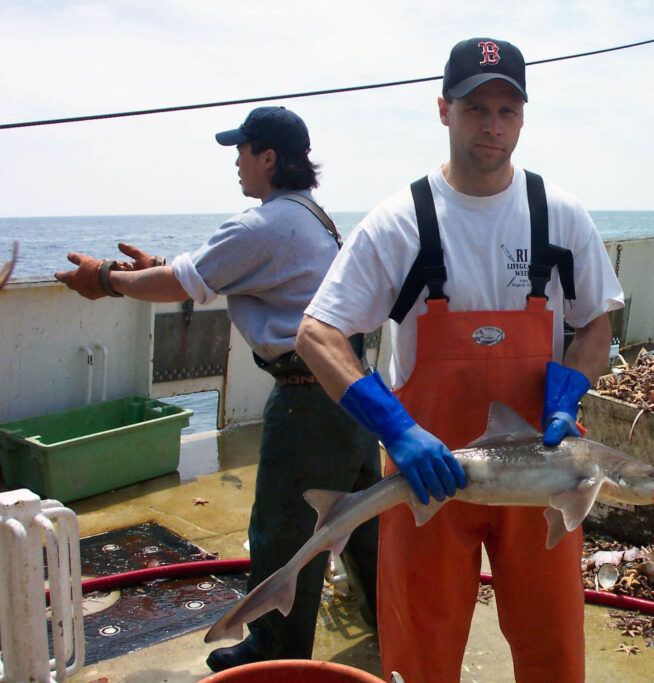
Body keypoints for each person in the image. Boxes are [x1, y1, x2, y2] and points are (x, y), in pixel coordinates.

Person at [295, 38, 624, 682]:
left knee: (554, 649)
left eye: (507, 110)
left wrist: (569, 391)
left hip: (541, 479)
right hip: (430, 479)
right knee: (419, 656)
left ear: (522, 118)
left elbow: (595, 324)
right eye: (475, 108)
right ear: (444, 110)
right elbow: (317, 334)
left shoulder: (559, 215)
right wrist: (397, 430)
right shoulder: (400, 222)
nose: (492, 125)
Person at [54, 106, 381, 673]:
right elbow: (223, 273)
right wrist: (160, 267)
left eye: (242, 151)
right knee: (360, 525)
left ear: (268, 158)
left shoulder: (263, 224)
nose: (236, 162)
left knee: (283, 529)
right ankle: (391, 618)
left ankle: (274, 653)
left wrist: (105, 279)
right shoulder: (313, 217)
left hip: (307, 400)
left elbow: (179, 284)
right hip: (353, 392)